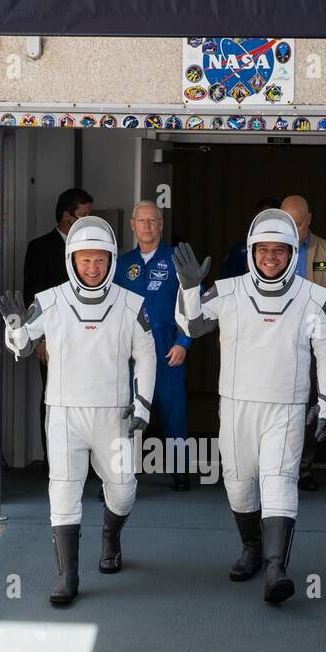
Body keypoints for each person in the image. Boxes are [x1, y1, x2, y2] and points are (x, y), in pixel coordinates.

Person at [175, 209, 326, 605]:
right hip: (235, 406)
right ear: (251, 251)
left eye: (279, 250)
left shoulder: (314, 297)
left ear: (291, 253)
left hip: (285, 406)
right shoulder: (227, 289)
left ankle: (275, 568)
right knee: (237, 483)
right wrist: (188, 290)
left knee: (280, 479)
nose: (271, 257)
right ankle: (252, 548)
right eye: (263, 250)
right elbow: (191, 327)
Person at [1, 216, 156, 606]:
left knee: (123, 491)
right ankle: (67, 575)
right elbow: (20, 348)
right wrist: (16, 326)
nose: (93, 268)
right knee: (64, 490)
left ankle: (111, 535)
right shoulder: (49, 301)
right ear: (72, 260)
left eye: (100, 260)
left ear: (111, 261)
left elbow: (147, 355)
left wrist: (143, 404)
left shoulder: (131, 304)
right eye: (85, 260)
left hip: (114, 413)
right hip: (65, 412)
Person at [115, 200, 194, 489]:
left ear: (161, 224)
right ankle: (121, 473)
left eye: (152, 221)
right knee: (127, 409)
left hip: (166, 345)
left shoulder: (176, 260)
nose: (147, 226)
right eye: (141, 221)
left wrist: (184, 342)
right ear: (132, 225)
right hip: (131, 349)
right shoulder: (121, 264)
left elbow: (190, 305)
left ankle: (180, 470)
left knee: (173, 410)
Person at [280, 194, 326, 491]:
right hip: (279, 343)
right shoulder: (270, 250)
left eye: (297, 223)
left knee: (311, 405)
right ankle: (277, 468)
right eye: (286, 222)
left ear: (309, 218)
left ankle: (303, 468)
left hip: (316, 343)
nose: (292, 230)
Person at [22, 187, 94, 466]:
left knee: (88, 398)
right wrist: (39, 339)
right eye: (84, 215)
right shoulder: (39, 248)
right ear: (67, 217)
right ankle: (54, 461)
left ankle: (87, 462)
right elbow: (32, 296)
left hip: (89, 333)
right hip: (53, 336)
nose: (90, 221)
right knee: (53, 397)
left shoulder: (92, 246)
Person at [220, 196, 280, 279]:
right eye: (264, 216)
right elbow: (225, 280)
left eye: (272, 217)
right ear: (256, 216)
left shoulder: (286, 250)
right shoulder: (238, 250)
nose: (267, 221)